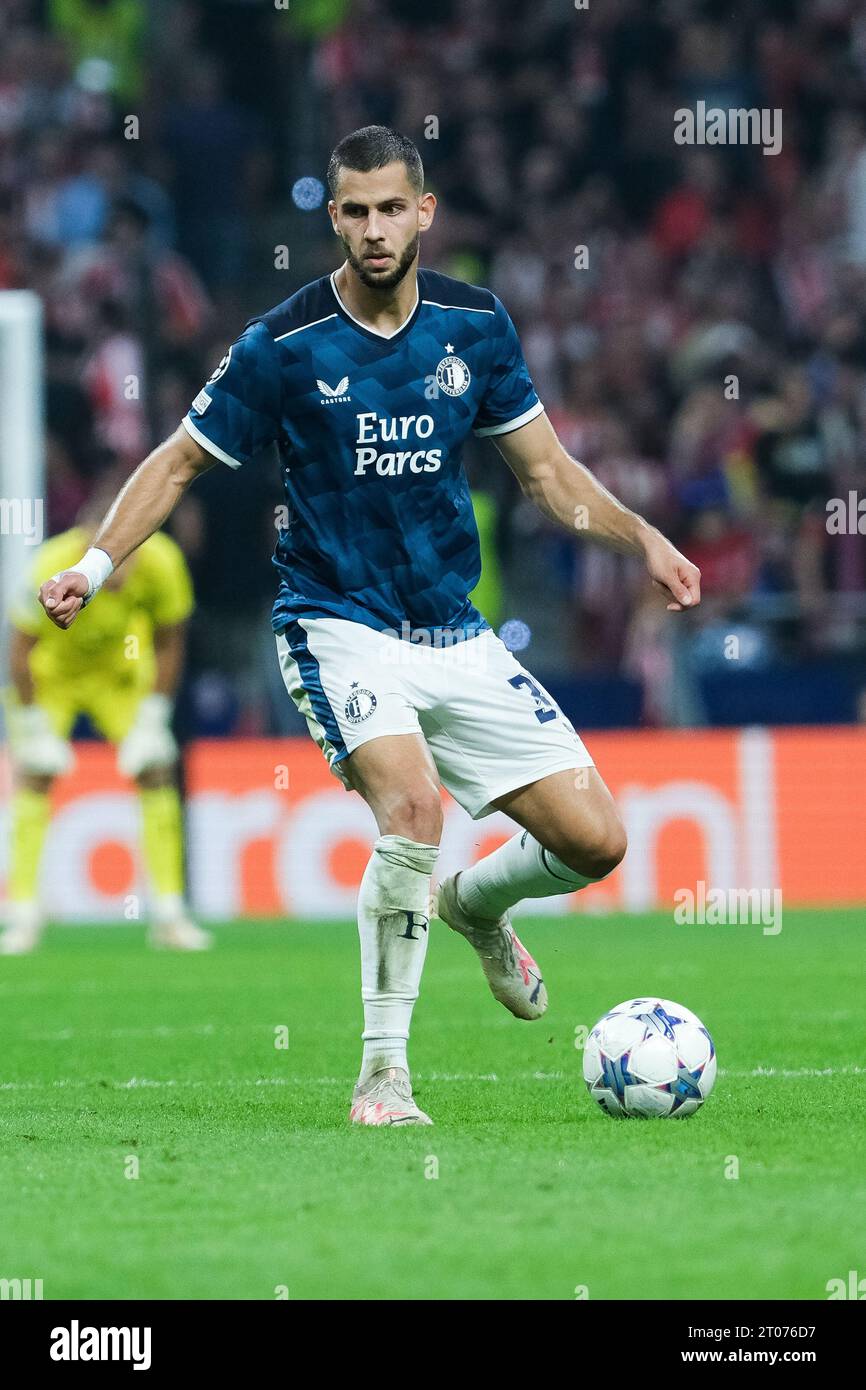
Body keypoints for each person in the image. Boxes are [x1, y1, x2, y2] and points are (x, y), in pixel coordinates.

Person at [36, 126, 700, 1123]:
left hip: (453, 628)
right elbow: (177, 460)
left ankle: (474, 903)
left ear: (424, 211)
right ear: (334, 220)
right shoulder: (282, 346)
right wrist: (93, 564)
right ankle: (382, 1076)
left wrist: (641, 537)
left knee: (596, 840)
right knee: (413, 811)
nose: (377, 229)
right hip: (335, 620)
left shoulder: (474, 325)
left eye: (393, 208)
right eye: (356, 211)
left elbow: (548, 475)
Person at [4, 500, 209, 954]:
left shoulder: (162, 562)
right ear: (84, 545)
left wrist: (154, 716)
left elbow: (169, 640)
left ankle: (169, 914)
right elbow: (19, 647)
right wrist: (34, 725)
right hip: (52, 677)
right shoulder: (50, 563)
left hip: (119, 676)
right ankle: (22, 914)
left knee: (155, 768)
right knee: (34, 776)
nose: (120, 572)